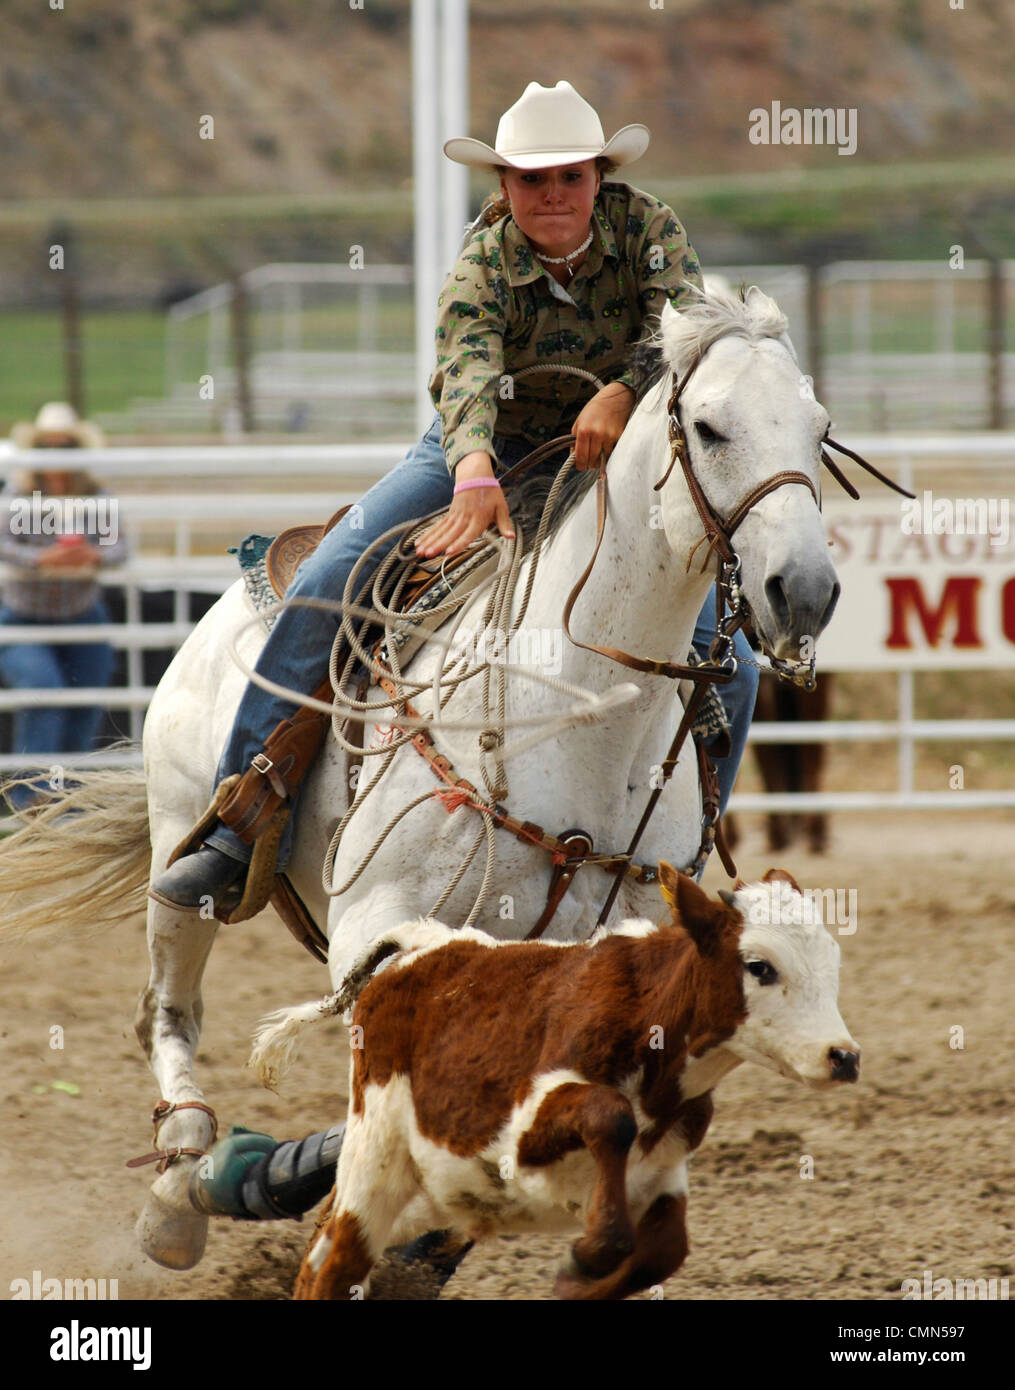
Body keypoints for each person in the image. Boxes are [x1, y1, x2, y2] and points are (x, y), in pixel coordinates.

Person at [168, 81, 759, 1223]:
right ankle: (249, 799)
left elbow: (689, 330)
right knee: (337, 577)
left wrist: (625, 395)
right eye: (532, 178)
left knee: (719, 660)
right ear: (503, 186)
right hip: (479, 449)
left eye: (570, 176)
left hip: (611, 453)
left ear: (599, 177)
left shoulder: (651, 230)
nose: (552, 194)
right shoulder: (482, 260)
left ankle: (687, 856)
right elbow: (463, 370)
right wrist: (479, 470)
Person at [0, 403, 127, 813]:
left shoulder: (96, 495)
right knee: (45, 690)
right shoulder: (19, 494)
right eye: (48, 445)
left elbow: (120, 547)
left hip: (80, 612)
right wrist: (40, 560)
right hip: (23, 614)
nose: (56, 452)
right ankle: (32, 797)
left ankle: (66, 798)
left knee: (83, 702)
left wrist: (91, 556)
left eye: (64, 444)